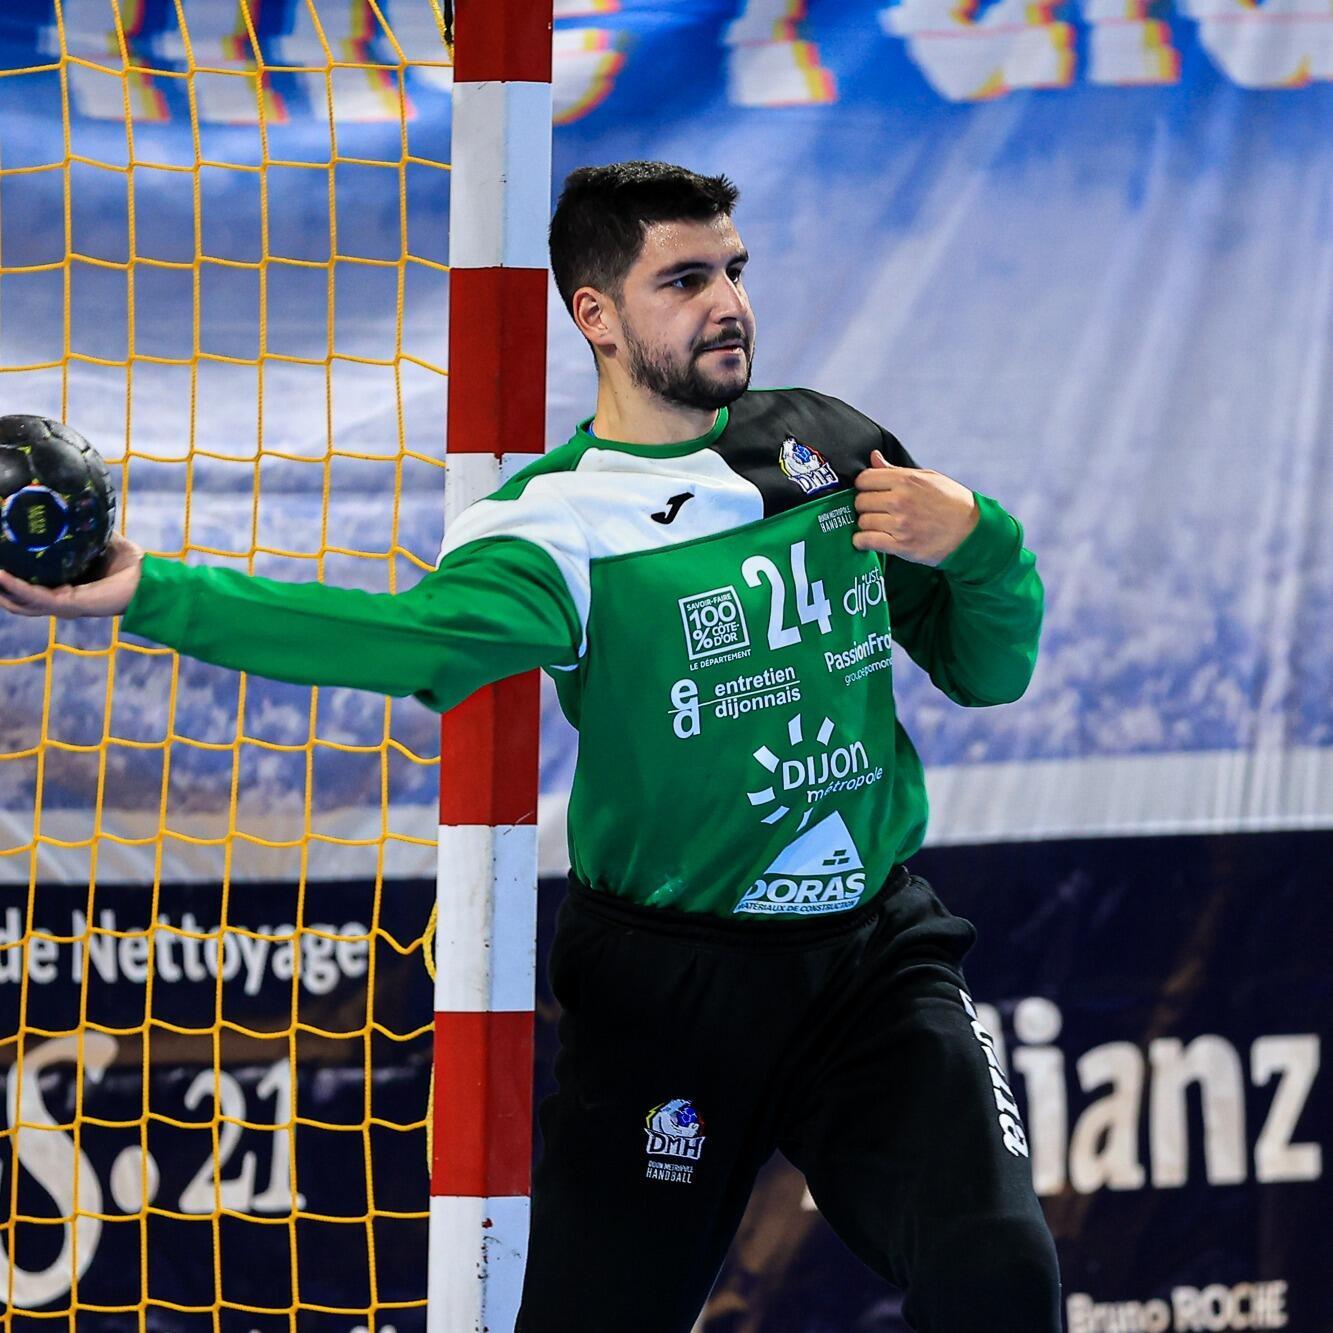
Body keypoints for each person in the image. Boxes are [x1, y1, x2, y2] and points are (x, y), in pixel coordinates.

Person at [0, 161, 1059, 1331]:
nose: (729, 304)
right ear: (594, 314)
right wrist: (150, 590)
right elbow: (397, 638)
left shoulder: (828, 445)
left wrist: (977, 542)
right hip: (671, 992)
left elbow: (985, 670)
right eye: (687, 278)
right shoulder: (553, 526)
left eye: (735, 271)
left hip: (872, 962)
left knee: (1000, 1270)